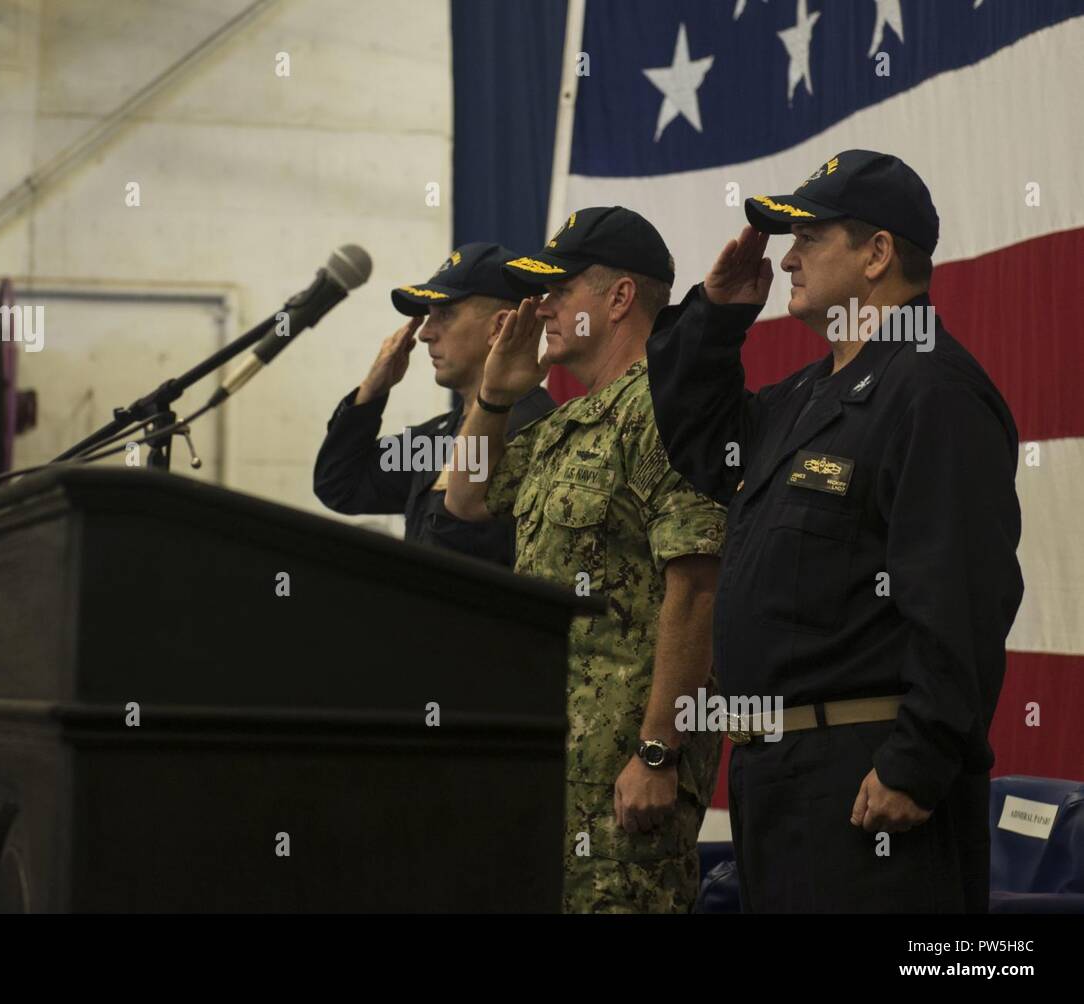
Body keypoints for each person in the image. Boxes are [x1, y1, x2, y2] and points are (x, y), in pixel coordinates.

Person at [644, 150, 1023, 912]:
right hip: (777, 780)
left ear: (877, 253)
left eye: (809, 238)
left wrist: (918, 762)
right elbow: (702, 443)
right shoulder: (810, 395)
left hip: (863, 780)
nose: (786, 258)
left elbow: (962, 598)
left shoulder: (933, 390)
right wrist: (716, 317)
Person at [445, 207, 727, 913]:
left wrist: (658, 752)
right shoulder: (571, 422)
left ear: (620, 297)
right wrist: (494, 396)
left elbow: (697, 590)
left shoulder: (666, 410)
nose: (540, 308)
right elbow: (465, 498)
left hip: (624, 778)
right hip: (557, 765)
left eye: (559, 290)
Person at [314, 243, 555, 566]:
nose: (425, 333)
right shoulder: (438, 437)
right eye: (428, 317)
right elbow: (340, 485)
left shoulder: (540, 431)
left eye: (445, 314)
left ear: (499, 327)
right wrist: (372, 391)